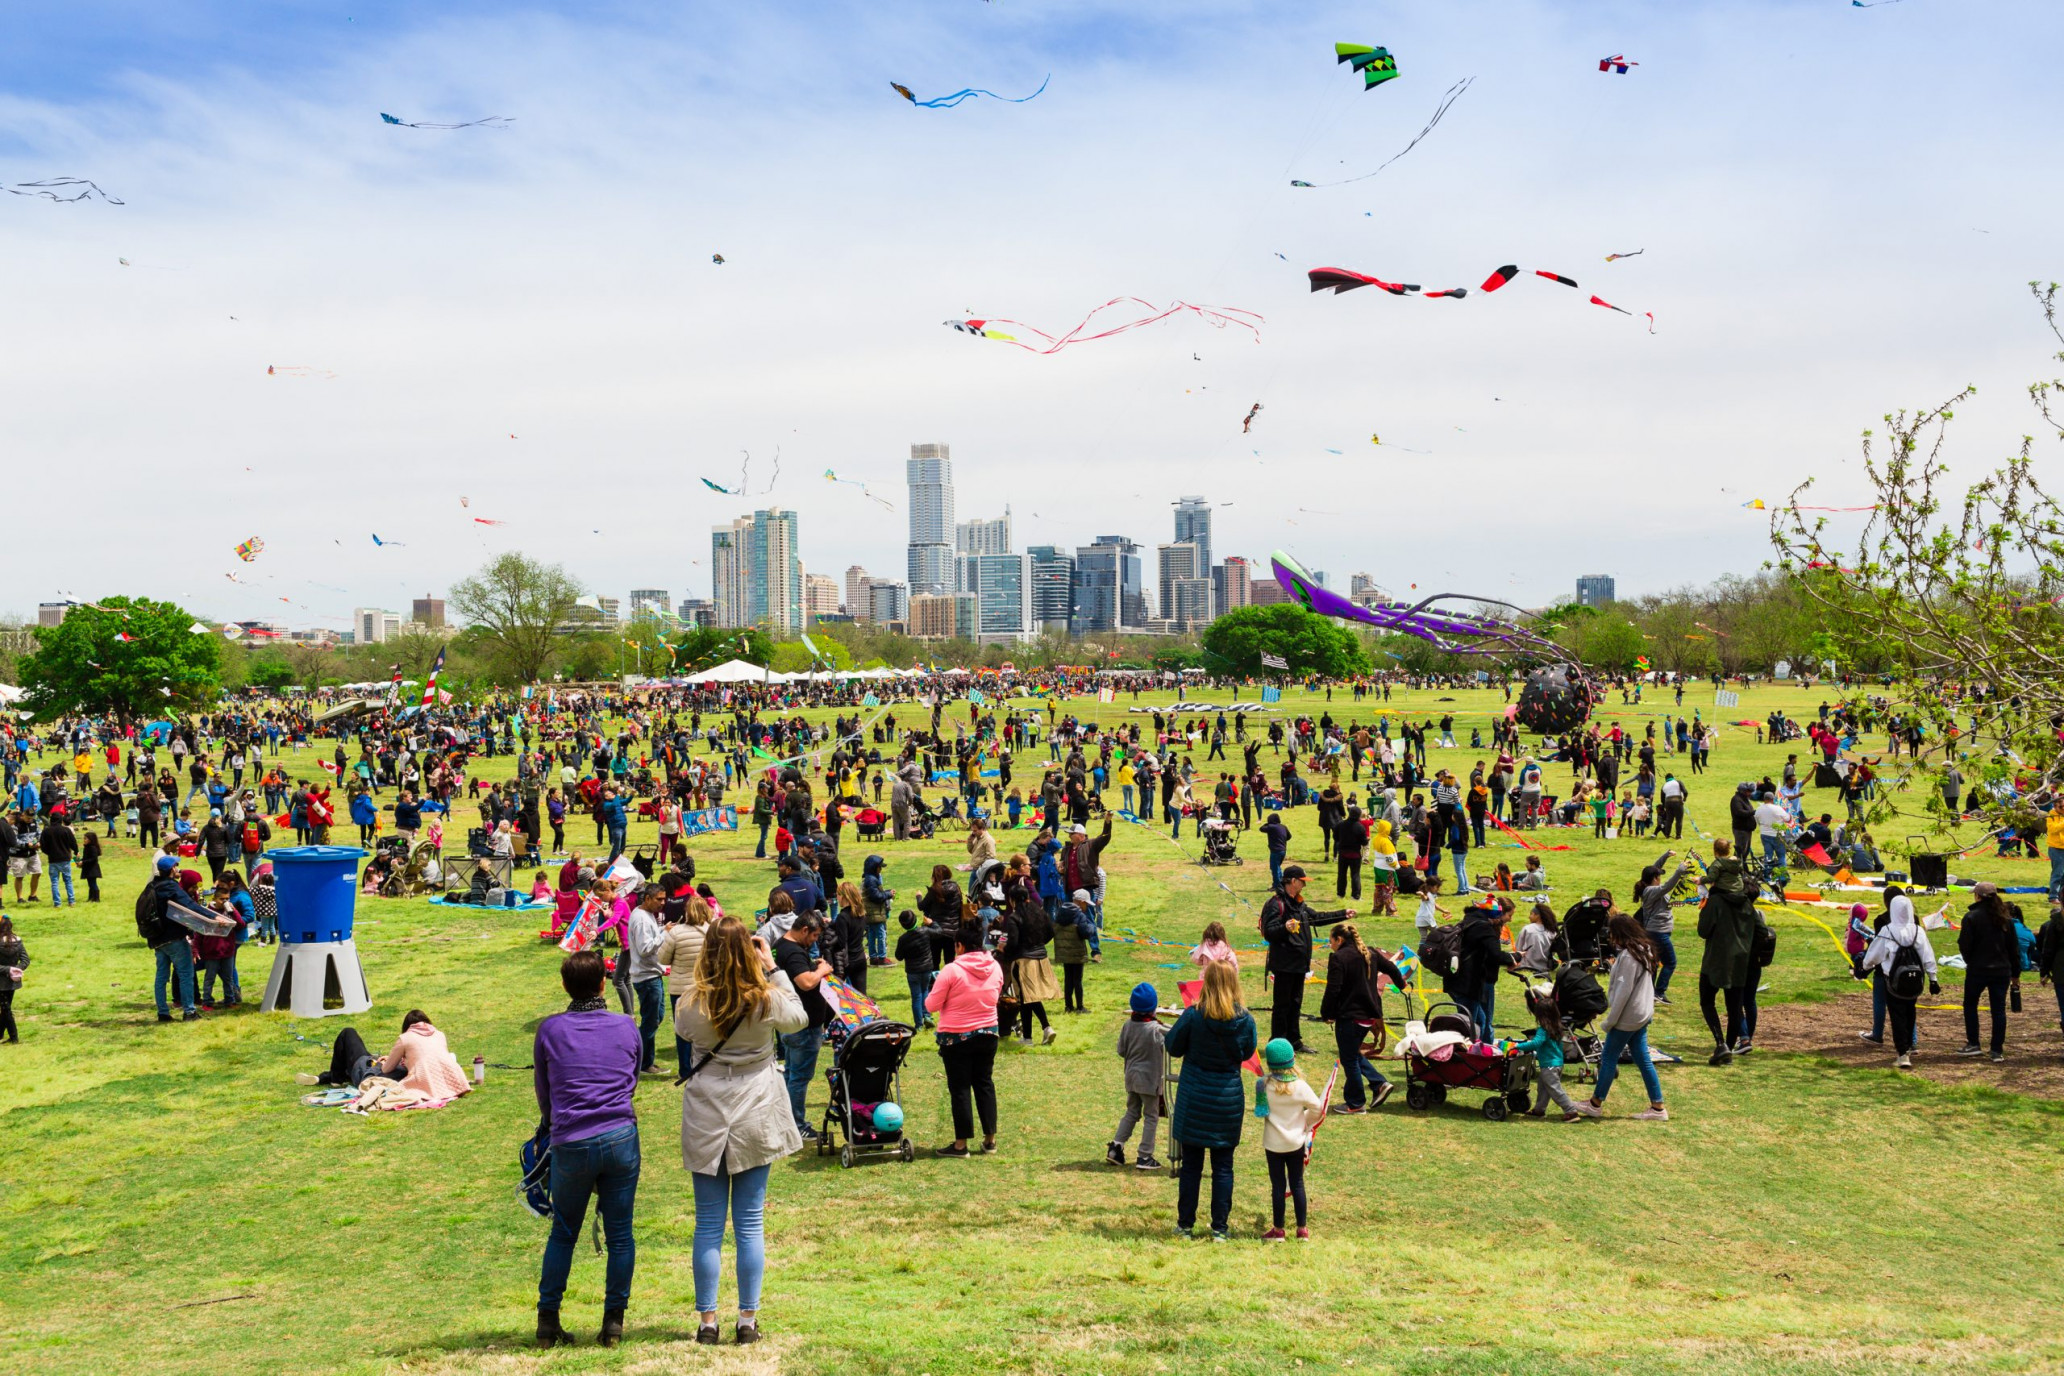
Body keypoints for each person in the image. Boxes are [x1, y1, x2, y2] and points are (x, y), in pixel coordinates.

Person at [675, 917, 811, 1347]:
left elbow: (682, 1031)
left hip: (708, 1108)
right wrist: (771, 967)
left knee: (708, 1225)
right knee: (749, 1223)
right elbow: (799, 1018)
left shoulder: (693, 1002)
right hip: (755, 1104)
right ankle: (747, 1319)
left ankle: (708, 1320)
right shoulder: (765, 998)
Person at [532, 950, 643, 1349]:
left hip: (571, 1139)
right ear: (603, 983)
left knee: (563, 1233)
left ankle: (548, 1321)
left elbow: (544, 1094)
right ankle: (613, 1322)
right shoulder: (626, 1026)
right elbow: (631, 1079)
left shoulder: (550, 1029)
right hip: (618, 1134)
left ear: (565, 985)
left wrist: (555, 1123)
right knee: (620, 1235)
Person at [1166, 958, 1257, 1241]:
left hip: (1194, 1097)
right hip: (1226, 1100)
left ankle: (1185, 1225)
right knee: (1223, 1167)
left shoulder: (1194, 1015)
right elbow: (1246, 1052)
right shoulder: (1245, 1020)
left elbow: (1172, 1046)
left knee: (1191, 1166)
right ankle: (1220, 1227)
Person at [1576, 914, 1669, 1121]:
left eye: (1612, 933)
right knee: (1643, 1059)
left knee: (1609, 1057)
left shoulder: (1628, 956)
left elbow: (1622, 993)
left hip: (1629, 1017)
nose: (1610, 937)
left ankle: (1595, 1103)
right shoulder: (1643, 950)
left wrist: (1610, 1022)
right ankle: (1657, 1106)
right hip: (1641, 1014)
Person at [927, 921, 1004, 1157]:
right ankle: (990, 1140)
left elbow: (930, 1005)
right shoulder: (995, 966)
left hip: (956, 1038)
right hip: (988, 1032)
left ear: (959, 946)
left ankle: (961, 1144)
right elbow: (996, 993)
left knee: (960, 1089)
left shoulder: (951, 970)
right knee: (984, 1084)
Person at [1258, 867, 1351, 1052]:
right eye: (1302, 881)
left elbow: (1316, 918)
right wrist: (1285, 927)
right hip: (1284, 965)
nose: (1304, 884)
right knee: (1282, 1006)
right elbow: (1269, 932)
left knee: (1295, 1003)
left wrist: (1342, 914)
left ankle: (1294, 1041)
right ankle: (1277, 1043)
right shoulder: (1276, 904)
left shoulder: (1299, 903)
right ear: (1292, 881)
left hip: (1300, 965)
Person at [1317, 923, 1403, 1113]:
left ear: (1339, 940)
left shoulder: (1339, 958)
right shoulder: (1369, 953)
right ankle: (1379, 1084)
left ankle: (1355, 1103)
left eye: (1331, 941)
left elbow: (1333, 990)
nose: (1330, 945)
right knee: (1351, 1054)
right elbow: (1392, 968)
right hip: (1369, 1016)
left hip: (1350, 1016)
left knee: (1348, 1059)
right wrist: (1401, 985)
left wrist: (1327, 1014)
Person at [143, 854, 233, 1022]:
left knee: (161, 976)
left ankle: (163, 1013)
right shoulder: (171, 887)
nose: (178, 869)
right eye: (176, 866)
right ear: (172, 869)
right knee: (186, 974)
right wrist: (214, 917)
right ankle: (189, 1012)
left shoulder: (152, 886)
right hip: (173, 938)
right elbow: (190, 906)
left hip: (157, 938)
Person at [769, 910, 833, 1139]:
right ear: (804, 930)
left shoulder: (780, 945)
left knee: (791, 1075)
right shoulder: (794, 952)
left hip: (791, 1023)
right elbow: (805, 983)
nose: (815, 940)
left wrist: (813, 966)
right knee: (799, 1078)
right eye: (814, 936)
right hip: (804, 1027)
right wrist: (822, 971)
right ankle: (797, 1126)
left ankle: (784, 1120)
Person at [1697, 840, 1761, 1065]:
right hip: (1740, 962)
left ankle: (1721, 1043)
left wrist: (1705, 907)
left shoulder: (1715, 901)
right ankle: (1728, 1047)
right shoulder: (1746, 903)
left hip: (1715, 960)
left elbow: (1703, 931)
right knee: (1734, 1007)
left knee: (1707, 1001)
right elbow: (1763, 931)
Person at [1255, 1038, 1324, 1241]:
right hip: (1296, 1142)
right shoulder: (1300, 1086)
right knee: (1297, 1184)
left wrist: (1262, 1086)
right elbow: (1318, 1108)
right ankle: (1302, 1230)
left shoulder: (1262, 1085)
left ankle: (1278, 1231)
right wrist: (1304, 1121)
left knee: (1277, 1186)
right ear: (1291, 1060)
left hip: (1273, 1143)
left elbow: (1261, 1112)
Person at [1862, 891, 1939, 1070]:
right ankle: (1910, 1043)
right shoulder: (1918, 931)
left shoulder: (1888, 931)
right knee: (1910, 1011)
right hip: (1915, 981)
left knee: (1897, 1014)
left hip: (1894, 981)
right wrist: (1933, 978)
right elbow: (1928, 955)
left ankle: (1902, 1053)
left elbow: (1875, 954)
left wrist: (1864, 967)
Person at [1957, 882, 2019, 1062]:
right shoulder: (2005, 918)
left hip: (1978, 969)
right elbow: (2013, 948)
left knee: (1970, 1005)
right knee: (1998, 1010)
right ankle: (1997, 1049)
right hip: (2001, 970)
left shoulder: (1971, 917)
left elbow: (1965, 945)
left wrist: (1971, 960)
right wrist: (2016, 974)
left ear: (1978, 896)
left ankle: (1974, 1043)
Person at [1107, 981, 1166, 1171]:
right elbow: (1173, 1041)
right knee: (1151, 1116)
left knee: (1132, 1112)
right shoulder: (1156, 1030)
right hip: (1149, 1081)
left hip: (1131, 1078)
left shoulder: (1128, 1025)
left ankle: (1116, 1147)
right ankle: (1145, 1156)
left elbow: (1121, 1050)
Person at [657, 892, 712, 1071]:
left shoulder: (676, 933)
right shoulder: (712, 932)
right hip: (705, 986)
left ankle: (685, 1069)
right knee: (706, 1028)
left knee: (682, 1031)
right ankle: (704, 1065)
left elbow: (663, 959)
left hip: (680, 989)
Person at [621, 883, 669, 1073]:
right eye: (659, 899)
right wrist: (664, 934)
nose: (662, 903)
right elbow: (644, 948)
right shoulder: (641, 919)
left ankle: (641, 1060)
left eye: (664, 899)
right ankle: (643, 1063)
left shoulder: (645, 914)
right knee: (650, 1022)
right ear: (647, 899)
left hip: (652, 974)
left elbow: (650, 938)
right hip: (646, 977)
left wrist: (663, 928)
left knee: (656, 1017)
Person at [1513, 990, 1582, 1121]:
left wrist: (1517, 1046)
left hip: (1549, 1065)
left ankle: (1570, 1110)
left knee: (1555, 1089)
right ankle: (1539, 1109)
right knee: (1543, 1088)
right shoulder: (1557, 1027)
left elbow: (1535, 1043)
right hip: (1557, 1064)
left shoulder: (1542, 1030)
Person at [1634, 851, 1689, 1003]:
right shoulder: (1651, 891)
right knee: (1670, 962)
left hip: (1656, 931)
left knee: (1655, 963)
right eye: (1658, 876)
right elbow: (1668, 886)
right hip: (1658, 932)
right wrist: (1679, 870)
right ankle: (1659, 992)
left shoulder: (1649, 885)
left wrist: (1665, 856)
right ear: (1654, 879)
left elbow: (1654, 867)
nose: (1660, 878)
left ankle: (1650, 991)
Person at [893, 909, 936, 1028]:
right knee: (925, 991)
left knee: (916, 996)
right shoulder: (925, 931)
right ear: (916, 920)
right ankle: (927, 1015)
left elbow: (898, 956)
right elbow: (939, 931)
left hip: (913, 972)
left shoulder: (903, 939)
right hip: (927, 968)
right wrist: (932, 923)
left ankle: (919, 1024)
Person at [0, 914, 26, 1043]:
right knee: (6, 1007)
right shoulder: (18, 941)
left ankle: (14, 1038)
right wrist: (17, 969)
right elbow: (25, 960)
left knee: (6, 1009)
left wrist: (8, 969)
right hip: (13, 981)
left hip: (1, 981)